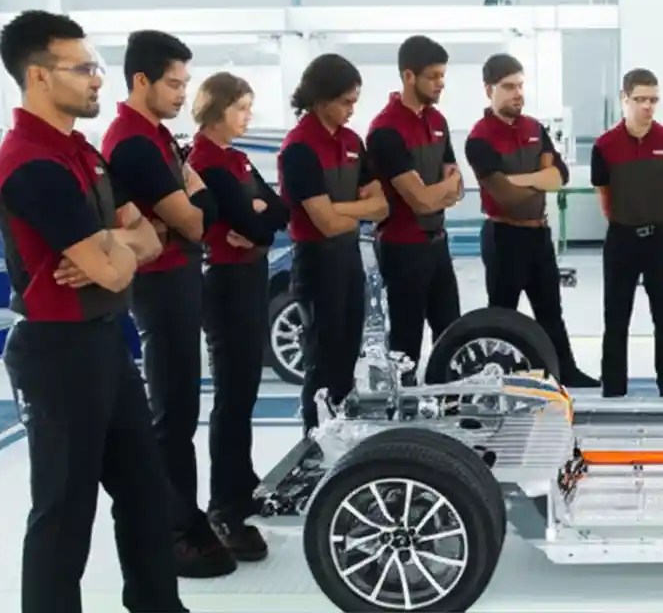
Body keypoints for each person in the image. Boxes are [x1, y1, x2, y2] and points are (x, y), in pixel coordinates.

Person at [0, 10, 186, 613]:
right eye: (83, 69)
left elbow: (149, 241)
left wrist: (113, 244)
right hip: (55, 354)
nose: (98, 80)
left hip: (105, 340)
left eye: (96, 67)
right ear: (38, 77)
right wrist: (115, 248)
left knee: (146, 492)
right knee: (65, 511)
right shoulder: (31, 162)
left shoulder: (82, 153)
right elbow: (108, 267)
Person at [99, 30, 232, 576]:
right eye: (174, 83)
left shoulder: (159, 137)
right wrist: (189, 194)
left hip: (178, 279)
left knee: (180, 411)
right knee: (171, 415)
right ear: (141, 81)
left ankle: (186, 517)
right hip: (159, 285)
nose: (183, 94)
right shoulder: (131, 142)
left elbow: (201, 206)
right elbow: (199, 222)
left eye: (185, 82)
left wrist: (189, 193)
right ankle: (173, 530)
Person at [186, 72, 288, 561]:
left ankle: (241, 482)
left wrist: (257, 218)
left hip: (250, 274)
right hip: (224, 285)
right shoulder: (204, 160)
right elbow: (251, 219)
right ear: (217, 107)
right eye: (242, 107)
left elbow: (278, 212)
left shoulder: (237, 159)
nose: (249, 116)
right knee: (232, 392)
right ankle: (224, 504)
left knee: (245, 388)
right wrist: (255, 215)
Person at [465, 54, 598, 388]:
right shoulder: (479, 139)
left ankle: (565, 371)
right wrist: (541, 176)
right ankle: (499, 377)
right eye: (508, 86)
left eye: (520, 85)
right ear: (488, 90)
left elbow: (561, 176)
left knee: (550, 311)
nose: (517, 93)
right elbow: (504, 197)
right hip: (502, 236)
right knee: (503, 315)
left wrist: (519, 179)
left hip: (538, 235)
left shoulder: (535, 128)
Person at [278, 53, 389, 433]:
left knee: (347, 354)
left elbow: (381, 208)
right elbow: (323, 224)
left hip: (348, 257)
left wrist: (339, 207)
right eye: (345, 102)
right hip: (317, 261)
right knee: (322, 359)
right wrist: (353, 210)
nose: (351, 110)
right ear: (320, 98)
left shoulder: (353, 141)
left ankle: (341, 429)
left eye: (354, 102)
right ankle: (315, 437)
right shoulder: (299, 149)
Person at [367, 35, 464, 384]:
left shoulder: (437, 120)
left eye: (442, 76)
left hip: (437, 241)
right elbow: (420, 200)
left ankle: (449, 406)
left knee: (451, 333)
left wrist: (436, 193)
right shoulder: (385, 130)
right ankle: (403, 415)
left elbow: (457, 186)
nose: (440, 84)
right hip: (403, 245)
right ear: (409, 76)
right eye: (433, 77)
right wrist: (440, 192)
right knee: (407, 342)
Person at [590, 68, 663, 398]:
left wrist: (655, 218)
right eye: (640, 100)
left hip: (659, 239)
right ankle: (614, 389)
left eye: (653, 100)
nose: (647, 106)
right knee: (616, 319)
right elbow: (604, 196)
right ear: (624, 99)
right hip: (621, 240)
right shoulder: (605, 146)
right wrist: (626, 221)